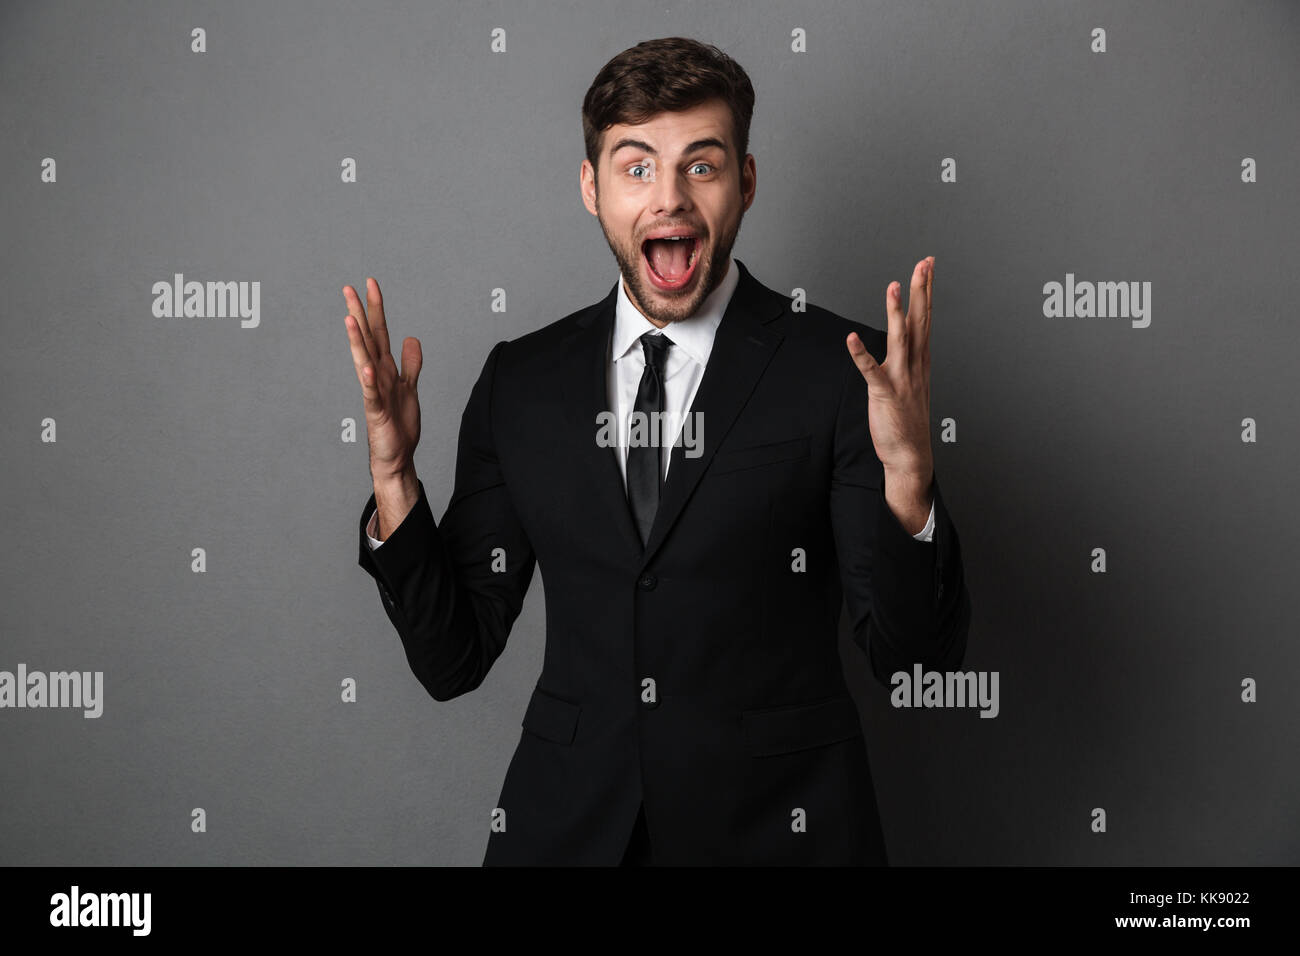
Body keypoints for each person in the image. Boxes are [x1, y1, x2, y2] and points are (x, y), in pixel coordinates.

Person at [342, 36, 971, 866]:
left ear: (745, 181)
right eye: (636, 168)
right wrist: (393, 478)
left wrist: (911, 479)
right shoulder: (520, 383)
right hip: (570, 833)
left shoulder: (844, 369)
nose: (668, 200)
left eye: (700, 167)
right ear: (590, 187)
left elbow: (914, 661)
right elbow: (452, 657)